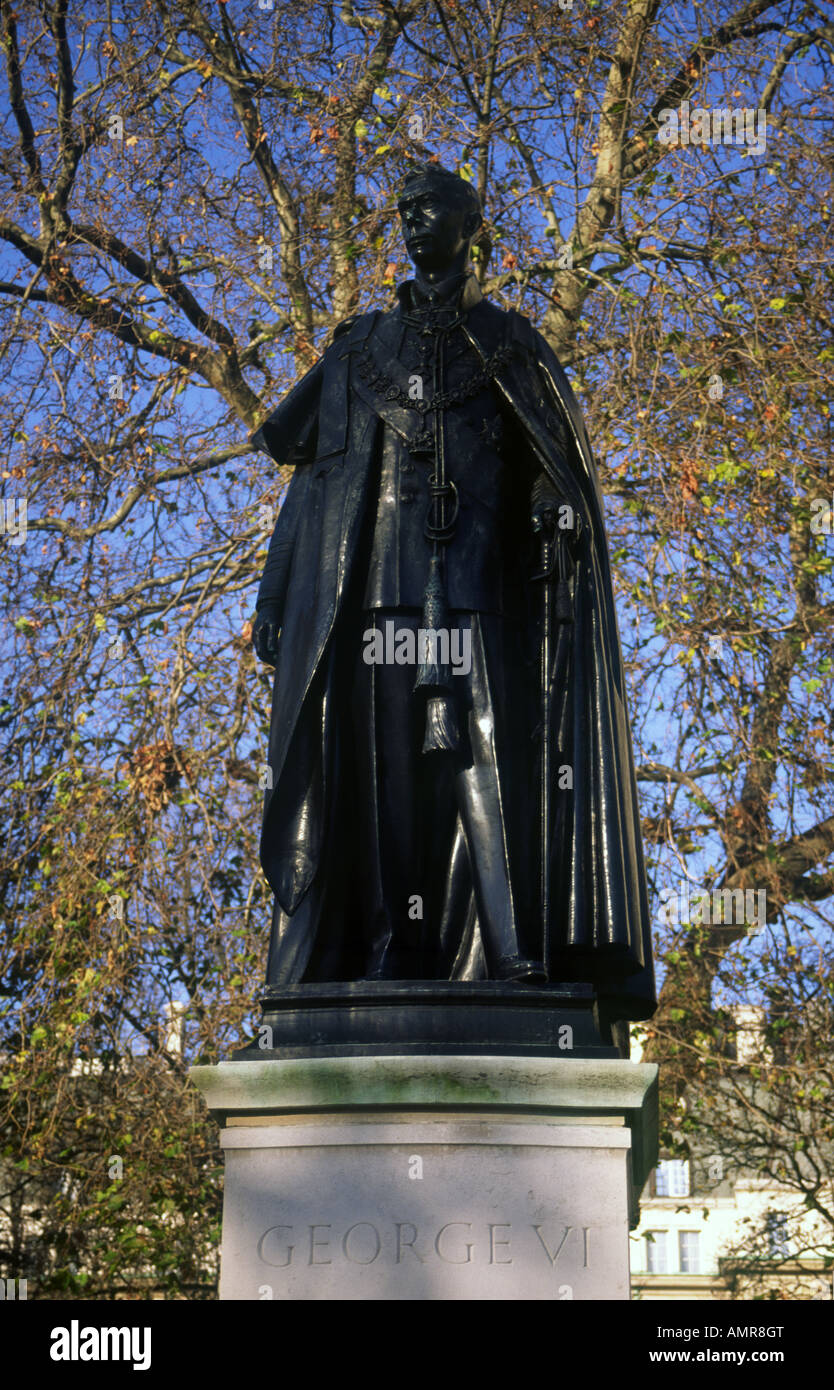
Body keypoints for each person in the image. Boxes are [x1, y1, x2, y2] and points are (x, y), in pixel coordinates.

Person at [251, 163, 655, 1023]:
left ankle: (514, 952)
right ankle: (394, 944)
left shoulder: (511, 344)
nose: (409, 218)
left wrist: (558, 511)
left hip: (479, 598)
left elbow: (554, 474)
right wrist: (276, 593)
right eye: (401, 208)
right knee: (386, 778)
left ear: (471, 223)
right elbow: (310, 486)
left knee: (488, 764)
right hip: (376, 604)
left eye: (428, 206)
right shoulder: (358, 348)